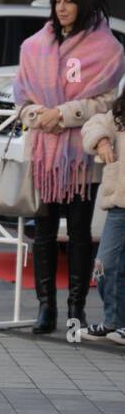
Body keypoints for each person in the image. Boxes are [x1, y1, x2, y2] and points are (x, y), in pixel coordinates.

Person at [15, 0, 125, 334]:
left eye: (68, 1)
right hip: (45, 156)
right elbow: (22, 98)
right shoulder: (34, 46)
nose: (61, 8)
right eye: (57, 1)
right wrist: (38, 116)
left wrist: (62, 114)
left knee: (79, 233)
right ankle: (46, 308)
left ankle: (75, 308)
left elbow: (107, 102)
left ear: (85, 3)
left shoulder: (107, 49)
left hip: (81, 157)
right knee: (43, 231)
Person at [82, 98, 125, 345]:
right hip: (119, 205)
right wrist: (102, 140)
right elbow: (93, 124)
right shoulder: (118, 115)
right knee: (102, 265)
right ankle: (113, 322)